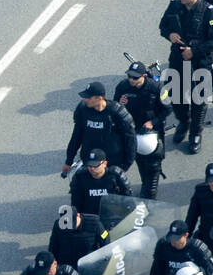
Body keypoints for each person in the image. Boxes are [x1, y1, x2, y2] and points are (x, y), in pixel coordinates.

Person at [158, 0, 213, 154]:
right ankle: (183, 122)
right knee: (176, 95)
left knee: (198, 98)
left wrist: (194, 51)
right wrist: (169, 34)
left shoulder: (209, 12)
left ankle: (195, 132)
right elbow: (163, 26)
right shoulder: (175, 5)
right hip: (178, 58)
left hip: (200, 61)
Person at [114, 61, 171, 199]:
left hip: (152, 130)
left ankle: (151, 187)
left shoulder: (157, 87)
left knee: (154, 159)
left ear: (144, 76)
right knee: (139, 158)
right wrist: (119, 103)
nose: (131, 80)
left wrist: (153, 122)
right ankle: (146, 181)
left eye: (135, 77)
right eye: (129, 76)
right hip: (132, 129)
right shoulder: (122, 86)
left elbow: (168, 108)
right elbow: (114, 105)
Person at [63, 81, 136, 175]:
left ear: (99, 98)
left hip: (112, 162)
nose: (85, 100)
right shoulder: (82, 109)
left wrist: (125, 166)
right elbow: (76, 136)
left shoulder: (117, 112)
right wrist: (68, 161)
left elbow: (130, 139)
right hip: (89, 161)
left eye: (88, 97)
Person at [67, 149, 131, 216]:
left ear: (104, 164)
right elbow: (75, 201)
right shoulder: (80, 177)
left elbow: (128, 197)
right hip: (90, 217)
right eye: (90, 165)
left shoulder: (115, 175)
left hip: (112, 215)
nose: (92, 168)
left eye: (95, 165)